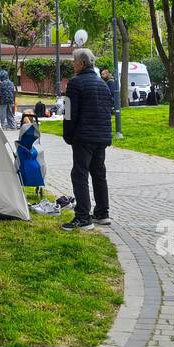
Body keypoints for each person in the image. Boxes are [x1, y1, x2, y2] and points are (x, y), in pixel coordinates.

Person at [61, 48, 113, 231]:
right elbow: (108, 111)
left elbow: (68, 113)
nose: (72, 64)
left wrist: (67, 134)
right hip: (101, 137)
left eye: (74, 61)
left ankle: (83, 217)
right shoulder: (103, 84)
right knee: (99, 174)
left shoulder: (75, 83)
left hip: (83, 137)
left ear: (81, 63)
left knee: (79, 174)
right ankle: (102, 213)